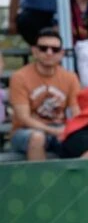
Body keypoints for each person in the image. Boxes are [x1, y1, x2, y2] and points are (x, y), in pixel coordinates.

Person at [7, 28, 80, 160]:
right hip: (24, 131)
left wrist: (69, 130)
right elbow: (24, 118)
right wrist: (54, 131)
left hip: (58, 127)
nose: (49, 52)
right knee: (37, 137)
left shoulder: (70, 77)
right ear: (34, 51)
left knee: (82, 139)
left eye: (55, 49)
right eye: (43, 48)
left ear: (61, 53)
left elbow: (77, 113)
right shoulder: (19, 77)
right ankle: (38, 180)